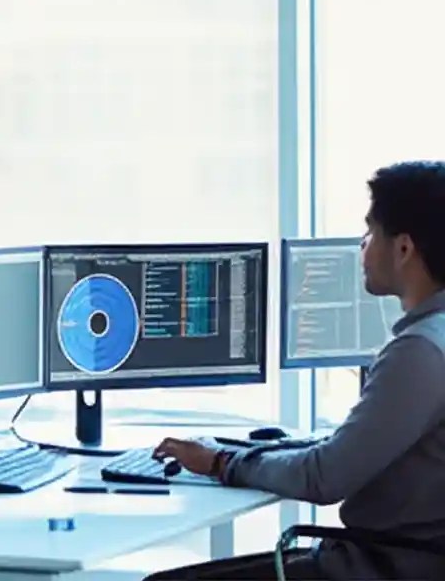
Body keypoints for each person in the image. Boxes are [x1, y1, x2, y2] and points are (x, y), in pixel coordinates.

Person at [147, 160, 445, 580]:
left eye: (370, 232)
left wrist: (220, 461)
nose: (362, 247)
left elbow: (324, 478)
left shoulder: (420, 352)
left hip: (381, 567)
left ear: (403, 248)